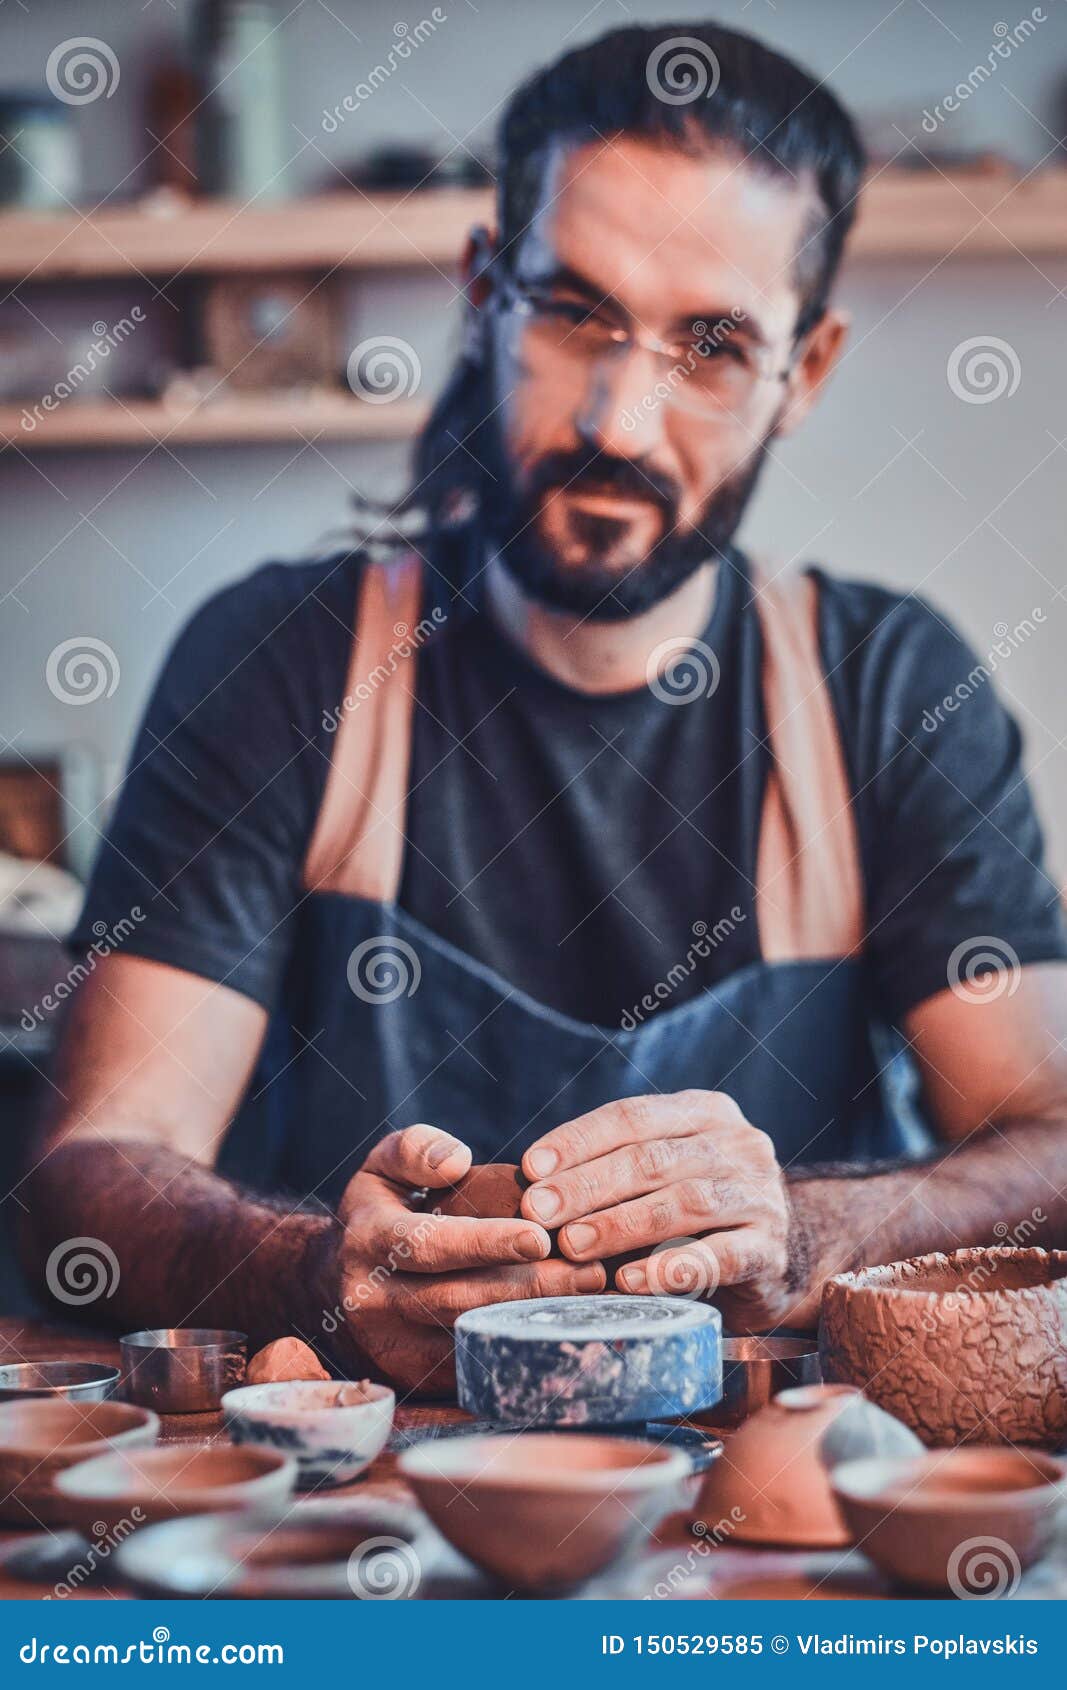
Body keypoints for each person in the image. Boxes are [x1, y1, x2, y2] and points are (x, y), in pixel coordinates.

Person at [24, 22, 1067, 1398]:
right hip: (355, 1533)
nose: (621, 421)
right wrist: (302, 1273)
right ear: (482, 293)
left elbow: (1051, 1132)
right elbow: (89, 1165)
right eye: (575, 311)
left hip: (764, 1532)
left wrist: (814, 1232)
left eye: (711, 344)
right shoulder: (280, 661)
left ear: (801, 373)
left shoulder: (889, 690)